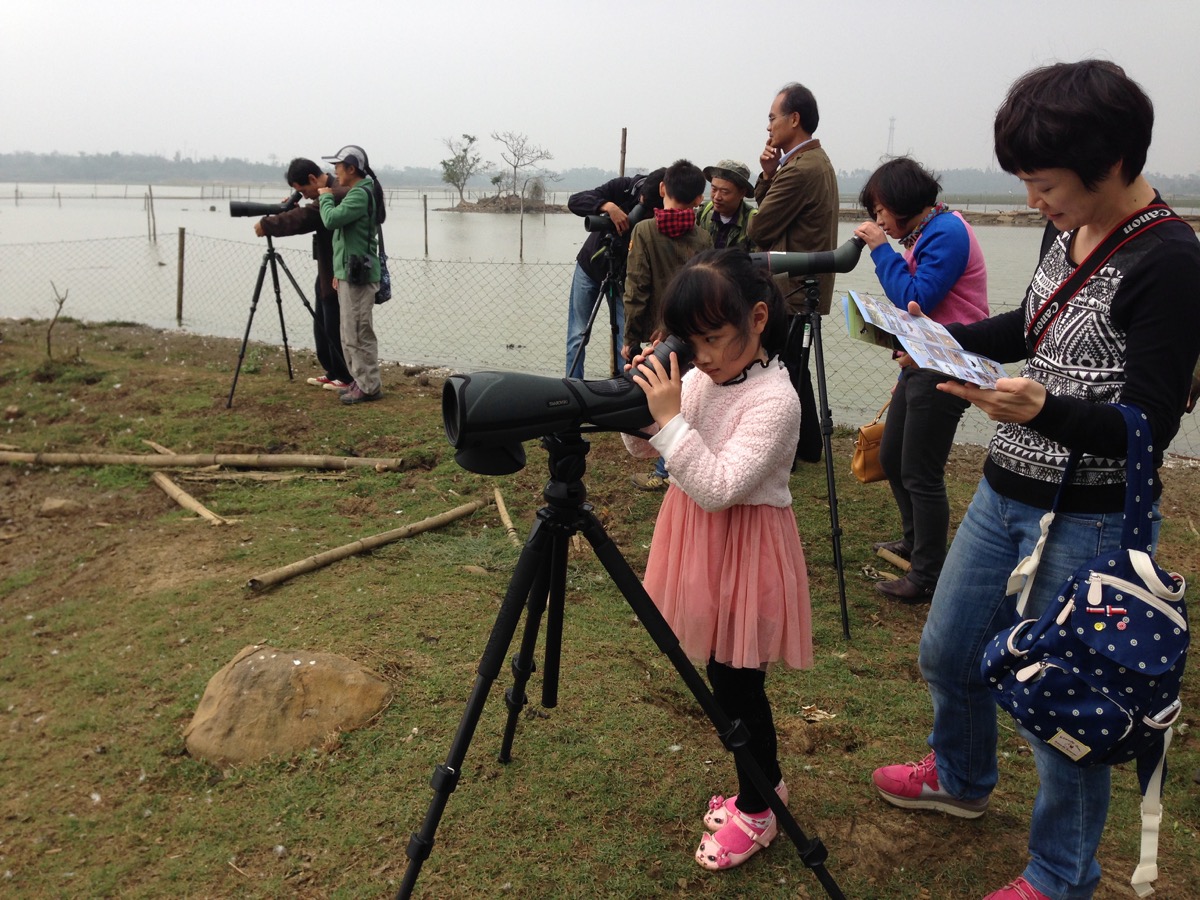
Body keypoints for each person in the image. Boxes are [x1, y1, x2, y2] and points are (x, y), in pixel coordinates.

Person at [870, 60, 1200, 900]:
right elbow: (1038, 323)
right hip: (1003, 489)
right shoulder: (1069, 225)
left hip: (1087, 520)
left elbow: (1151, 424)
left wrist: (1042, 410)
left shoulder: (1170, 261)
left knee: (1067, 715)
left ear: (1112, 164)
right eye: (1025, 182)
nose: (1032, 202)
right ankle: (962, 778)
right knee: (948, 652)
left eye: (1043, 183)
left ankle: (1061, 875)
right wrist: (941, 341)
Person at [624, 247, 813, 872]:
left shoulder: (775, 400)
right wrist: (642, 402)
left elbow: (719, 485)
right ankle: (762, 787)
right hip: (699, 541)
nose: (700, 354)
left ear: (757, 318)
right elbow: (644, 447)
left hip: (744, 546)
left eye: (714, 337)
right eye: (692, 339)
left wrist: (672, 418)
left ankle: (760, 810)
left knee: (739, 683)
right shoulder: (703, 376)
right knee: (718, 672)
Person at [853, 157, 989, 602]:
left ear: (900, 201)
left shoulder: (946, 233)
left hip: (949, 365)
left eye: (880, 211)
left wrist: (879, 251)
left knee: (921, 472)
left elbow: (916, 297)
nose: (878, 221)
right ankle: (915, 543)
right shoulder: (926, 233)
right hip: (922, 361)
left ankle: (927, 573)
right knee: (893, 457)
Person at [746, 82, 839, 463]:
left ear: (794, 119)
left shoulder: (800, 169)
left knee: (785, 370)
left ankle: (789, 449)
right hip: (807, 286)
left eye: (772, 117)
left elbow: (759, 228)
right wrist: (769, 174)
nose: (768, 127)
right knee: (795, 368)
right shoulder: (813, 162)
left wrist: (768, 178)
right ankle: (809, 446)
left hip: (795, 288)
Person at [622, 159, 712, 490]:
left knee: (655, 399)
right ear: (699, 199)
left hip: (653, 339)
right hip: (688, 335)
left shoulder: (644, 230)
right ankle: (677, 466)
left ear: (662, 189)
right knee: (686, 401)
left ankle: (663, 469)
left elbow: (636, 288)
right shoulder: (703, 239)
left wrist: (630, 338)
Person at [254, 158, 353, 393]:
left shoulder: (338, 192)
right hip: (326, 268)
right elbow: (309, 216)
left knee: (334, 324)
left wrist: (269, 225)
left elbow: (308, 218)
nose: (304, 195)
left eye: (302, 190)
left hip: (339, 270)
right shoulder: (325, 195)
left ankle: (346, 376)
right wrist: (294, 210)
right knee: (322, 323)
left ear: (312, 179)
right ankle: (332, 371)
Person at [564, 169, 665, 379]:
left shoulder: (665, 211)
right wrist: (608, 206)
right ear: (641, 194)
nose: (645, 212)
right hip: (590, 268)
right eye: (643, 205)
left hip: (625, 279)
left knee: (627, 341)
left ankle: (625, 387)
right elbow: (575, 201)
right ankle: (573, 385)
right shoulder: (624, 187)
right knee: (578, 334)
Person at [317, 145, 386, 405]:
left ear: (351, 168)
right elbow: (344, 239)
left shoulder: (359, 195)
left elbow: (332, 221)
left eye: (338, 166)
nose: (335, 171)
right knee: (350, 330)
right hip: (351, 270)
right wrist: (338, 271)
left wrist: (324, 196)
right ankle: (361, 380)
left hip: (359, 274)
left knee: (357, 331)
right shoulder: (360, 191)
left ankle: (369, 386)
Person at [696, 160, 756, 250]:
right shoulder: (703, 212)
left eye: (724, 192)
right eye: (714, 189)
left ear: (742, 193)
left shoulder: (752, 221)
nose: (717, 197)